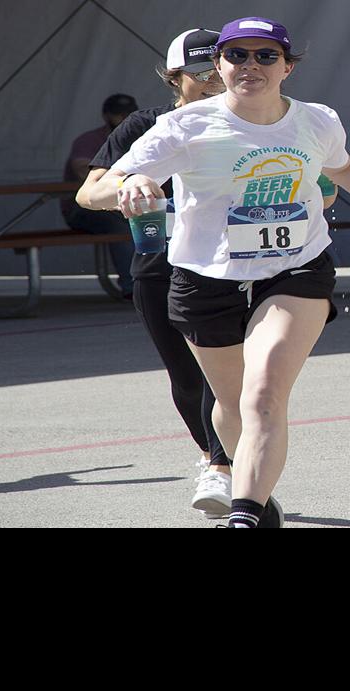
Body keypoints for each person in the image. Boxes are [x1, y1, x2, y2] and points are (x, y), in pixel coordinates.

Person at [92, 17, 350, 528]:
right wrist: (128, 188)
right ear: (219, 66)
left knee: (263, 393)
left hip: (294, 271)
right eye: (237, 55)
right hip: (204, 277)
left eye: (266, 56)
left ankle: (244, 513)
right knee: (231, 401)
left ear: (287, 66)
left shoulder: (315, 121)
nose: (251, 65)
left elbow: (344, 167)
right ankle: (253, 489)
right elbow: (98, 189)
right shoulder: (184, 126)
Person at [75, 28, 235, 519]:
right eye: (200, 75)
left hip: (230, 266)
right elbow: (88, 192)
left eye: (219, 71)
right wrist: (128, 188)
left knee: (225, 379)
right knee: (186, 381)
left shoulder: (253, 120)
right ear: (174, 77)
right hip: (158, 264)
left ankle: (227, 469)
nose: (212, 83)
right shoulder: (145, 125)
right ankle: (216, 457)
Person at [62, 93, 139, 298]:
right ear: (106, 116)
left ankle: (156, 281)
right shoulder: (90, 140)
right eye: (118, 114)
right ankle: (132, 286)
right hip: (86, 207)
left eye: (129, 114)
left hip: (126, 202)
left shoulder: (142, 137)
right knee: (120, 223)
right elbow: (81, 170)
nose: (124, 118)